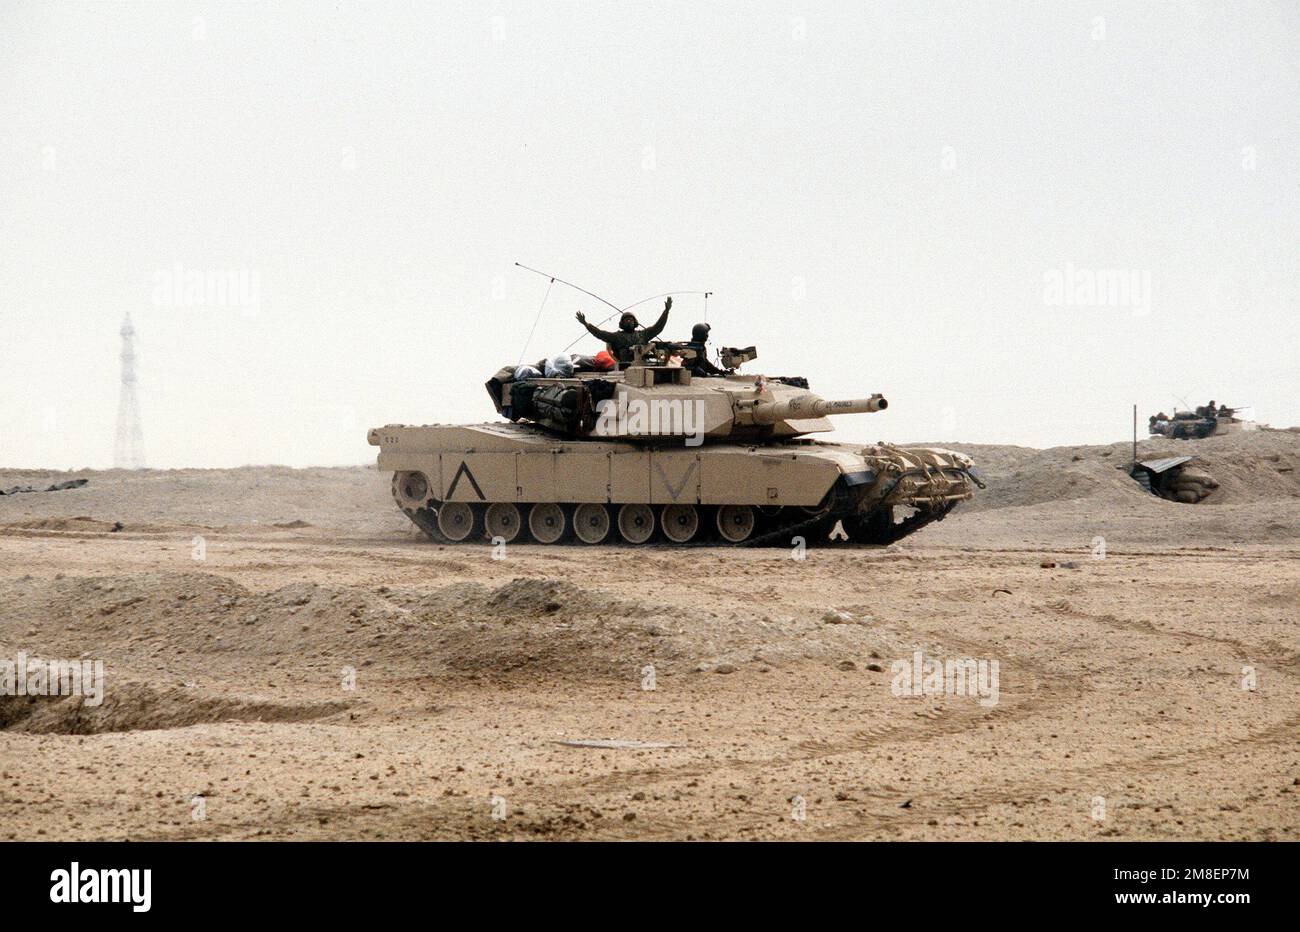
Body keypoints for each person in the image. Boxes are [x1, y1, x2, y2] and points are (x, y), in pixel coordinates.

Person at [575, 296, 672, 364]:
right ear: (622, 323)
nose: (629, 321)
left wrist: (666, 312)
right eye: (626, 319)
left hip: (643, 366)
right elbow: (600, 334)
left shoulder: (644, 334)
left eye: (631, 319)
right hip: (624, 368)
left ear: (635, 322)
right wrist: (586, 324)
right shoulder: (617, 337)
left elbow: (658, 327)